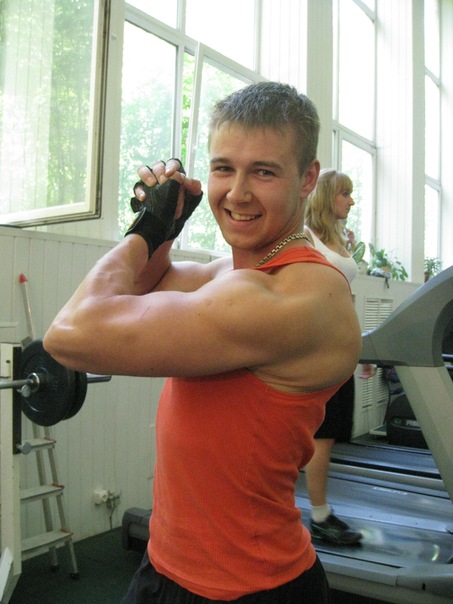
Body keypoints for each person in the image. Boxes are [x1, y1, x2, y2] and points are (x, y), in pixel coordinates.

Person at [43, 82, 362, 603]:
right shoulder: (230, 275)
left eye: (263, 171)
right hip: (165, 565)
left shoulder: (299, 294)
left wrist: (147, 228)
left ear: (307, 178)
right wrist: (165, 229)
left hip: (249, 589)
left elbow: (70, 334)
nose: (237, 193)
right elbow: (144, 285)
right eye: (223, 168)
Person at [303, 169, 369, 546]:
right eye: (345, 194)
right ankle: (319, 516)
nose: (351, 201)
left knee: (332, 432)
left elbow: (345, 296)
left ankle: (320, 512)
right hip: (317, 347)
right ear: (327, 196)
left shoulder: (340, 240)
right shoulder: (306, 236)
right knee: (321, 435)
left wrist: (360, 346)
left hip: (341, 344)